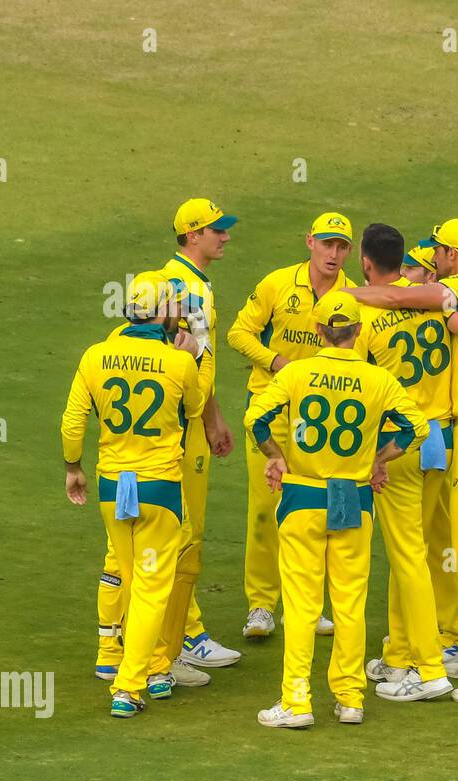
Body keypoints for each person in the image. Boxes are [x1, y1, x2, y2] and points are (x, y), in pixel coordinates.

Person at [346, 218, 458, 703]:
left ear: (452, 254)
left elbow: (399, 300)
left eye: (439, 252)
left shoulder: (453, 290)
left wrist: (353, 296)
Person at [244, 291, 428, 727]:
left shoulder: (298, 374)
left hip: (303, 497)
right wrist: (381, 460)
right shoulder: (377, 379)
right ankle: (350, 699)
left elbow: (256, 420)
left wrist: (276, 456)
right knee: (349, 603)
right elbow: (415, 427)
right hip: (354, 498)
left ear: (319, 329)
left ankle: (296, 700)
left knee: (303, 604)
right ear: (358, 331)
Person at [94, 200, 242, 683]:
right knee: (179, 539)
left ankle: (148, 640)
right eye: (216, 230)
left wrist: (213, 416)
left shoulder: (177, 283)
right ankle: (166, 652)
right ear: (191, 234)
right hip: (174, 437)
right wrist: (210, 420)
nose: (224, 237)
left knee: (143, 544)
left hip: (147, 443)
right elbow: (188, 362)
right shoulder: (181, 290)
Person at [61, 272, 206, 718]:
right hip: (159, 488)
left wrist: (73, 468)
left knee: (127, 578)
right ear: (162, 313)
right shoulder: (178, 362)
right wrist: (191, 352)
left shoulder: (96, 355)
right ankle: (129, 685)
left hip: (110, 488)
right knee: (151, 590)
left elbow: (71, 423)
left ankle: (153, 666)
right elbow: (196, 408)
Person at [354, 224, 458, 702]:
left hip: (398, 447)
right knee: (417, 553)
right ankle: (400, 654)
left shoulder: (363, 311)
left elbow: (358, 385)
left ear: (365, 263)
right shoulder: (430, 297)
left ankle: (429, 670)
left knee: (407, 558)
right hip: (440, 440)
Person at [228, 213, 355, 640]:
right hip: (269, 409)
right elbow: (239, 333)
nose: (333, 254)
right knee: (266, 508)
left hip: (319, 421)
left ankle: (308, 604)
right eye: (327, 244)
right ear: (310, 242)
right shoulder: (277, 284)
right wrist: (279, 363)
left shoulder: (353, 297)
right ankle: (261, 605)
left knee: (311, 509)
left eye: (342, 247)